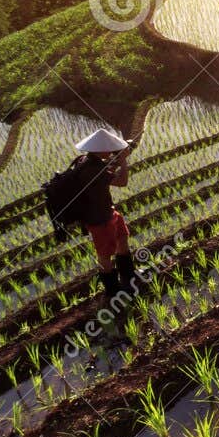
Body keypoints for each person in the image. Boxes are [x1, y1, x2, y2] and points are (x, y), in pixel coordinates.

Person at [73, 128, 137, 316]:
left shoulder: (87, 161)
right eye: (109, 148)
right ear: (100, 149)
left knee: (123, 238)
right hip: (99, 219)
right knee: (105, 255)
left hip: (108, 212)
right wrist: (123, 160)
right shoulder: (92, 169)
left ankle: (128, 276)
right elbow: (122, 181)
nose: (111, 151)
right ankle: (113, 290)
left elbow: (106, 171)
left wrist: (118, 158)